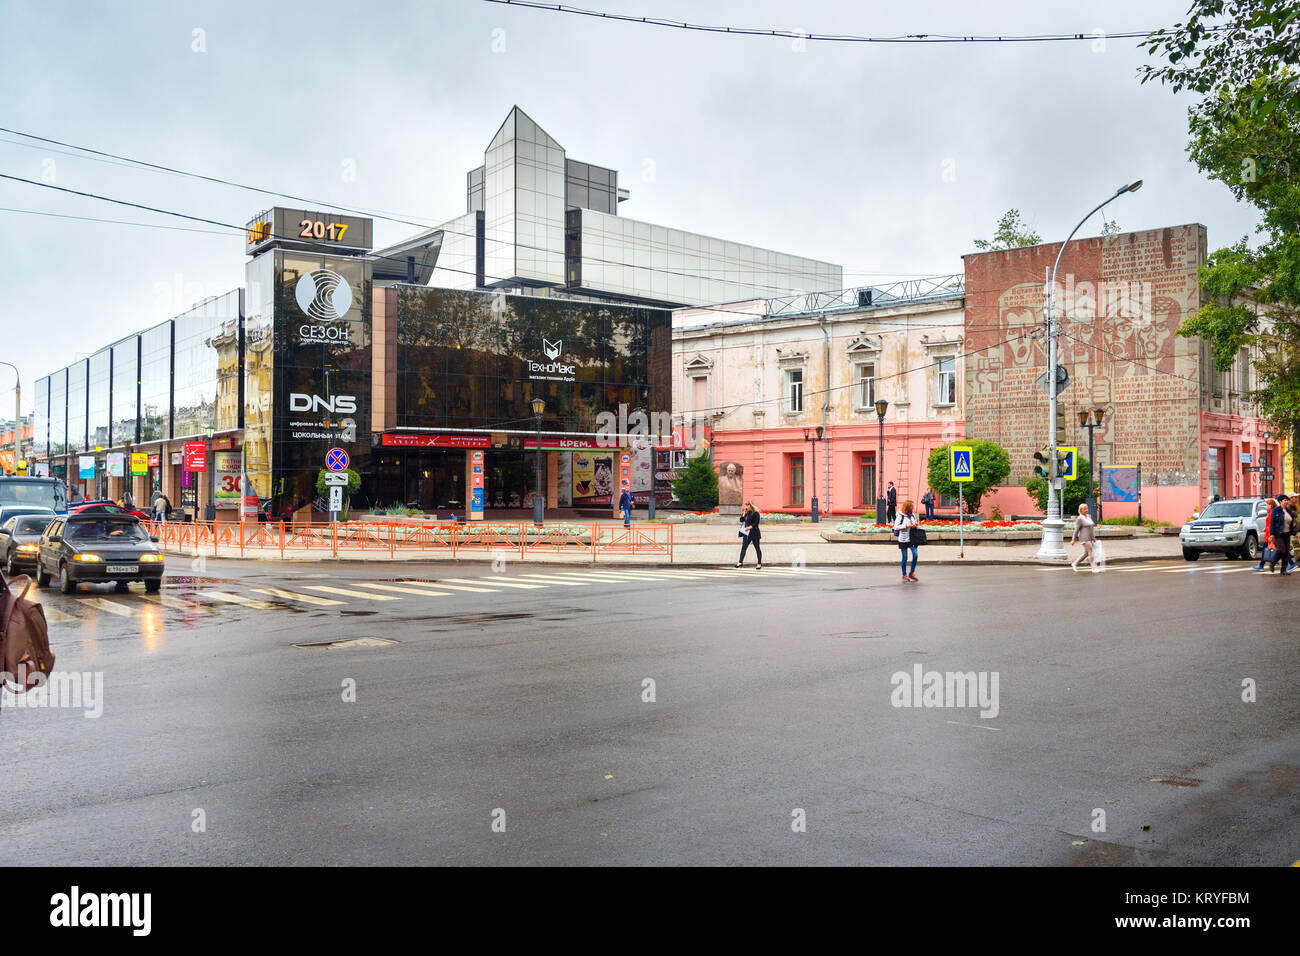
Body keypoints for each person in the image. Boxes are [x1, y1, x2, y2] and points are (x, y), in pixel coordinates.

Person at [894, 498, 920, 582]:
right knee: (905, 557)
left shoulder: (912, 515)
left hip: (912, 539)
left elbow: (916, 525)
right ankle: (904, 575)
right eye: (911, 507)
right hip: (903, 539)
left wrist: (915, 525)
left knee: (915, 555)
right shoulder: (900, 515)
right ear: (907, 507)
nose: (912, 508)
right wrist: (906, 525)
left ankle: (911, 573)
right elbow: (895, 527)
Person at [1266, 495, 1293, 575]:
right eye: (1285, 500)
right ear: (1280, 501)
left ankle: (1283, 570)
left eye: (1287, 500)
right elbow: (1272, 523)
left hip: (1287, 533)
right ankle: (1273, 563)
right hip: (1278, 534)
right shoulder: (1276, 510)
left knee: (1286, 552)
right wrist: (1272, 534)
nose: (1287, 502)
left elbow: (1291, 523)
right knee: (1282, 550)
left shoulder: (1288, 511)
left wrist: (1293, 532)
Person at [1070, 502, 1098, 572]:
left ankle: (1075, 564)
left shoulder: (1088, 517)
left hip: (1090, 538)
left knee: (1086, 554)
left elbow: (1091, 528)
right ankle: (1094, 568)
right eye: (1085, 509)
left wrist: (1093, 537)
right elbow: (1076, 530)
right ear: (1081, 510)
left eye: (1087, 508)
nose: (1087, 510)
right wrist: (1073, 540)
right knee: (1091, 551)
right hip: (1084, 538)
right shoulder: (1079, 518)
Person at [1251, 498, 1276, 572]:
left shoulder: (1272, 513)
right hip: (1269, 534)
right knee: (1277, 550)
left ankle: (1261, 566)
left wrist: (1270, 535)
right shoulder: (1271, 512)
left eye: (1266, 505)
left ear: (1270, 505)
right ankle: (1262, 565)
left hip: (1269, 536)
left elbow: (1272, 525)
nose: (1266, 506)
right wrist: (1265, 528)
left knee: (1266, 551)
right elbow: (1270, 525)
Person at [736, 501, 762, 569]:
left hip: (754, 533)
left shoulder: (756, 513)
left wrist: (750, 527)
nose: (746, 507)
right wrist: (743, 514)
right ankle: (740, 562)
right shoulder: (747, 513)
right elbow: (741, 520)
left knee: (757, 548)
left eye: (747, 506)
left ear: (751, 506)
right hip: (746, 533)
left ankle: (759, 563)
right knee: (743, 548)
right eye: (746, 506)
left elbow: (756, 522)